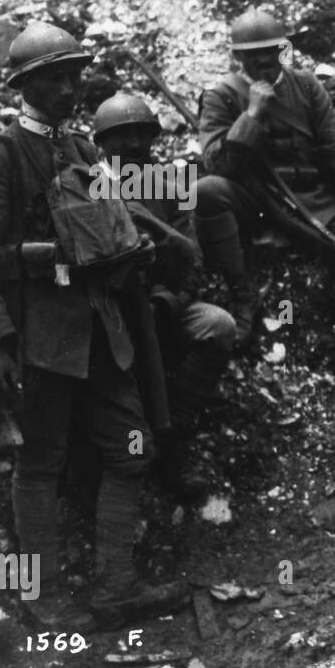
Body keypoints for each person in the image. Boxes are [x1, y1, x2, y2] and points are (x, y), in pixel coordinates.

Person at [0, 22, 189, 629]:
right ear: (24, 85)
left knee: (132, 450)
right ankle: (45, 601)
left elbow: (104, 231)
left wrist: (136, 250)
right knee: (40, 465)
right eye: (51, 78)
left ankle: (116, 588)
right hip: (41, 340)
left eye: (73, 75)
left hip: (102, 331)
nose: (66, 87)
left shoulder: (83, 150)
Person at [191, 8, 335, 386]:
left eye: (269, 52)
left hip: (313, 201)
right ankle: (243, 298)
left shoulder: (305, 86)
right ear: (237, 57)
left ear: (281, 50)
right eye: (252, 55)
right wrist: (252, 114)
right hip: (253, 203)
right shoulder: (222, 95)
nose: (262, 62)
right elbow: (217, 165)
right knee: (206, 193)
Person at [92, 93, 235, 501]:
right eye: (123, 136)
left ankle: (174, 437)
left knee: (217, 326)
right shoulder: (86, 185)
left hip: (161, 304)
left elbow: (193, 258)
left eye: (143, 134)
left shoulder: (172, 183)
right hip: (108, 311)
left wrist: (169, 301)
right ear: (102, 142)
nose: (135, 144)